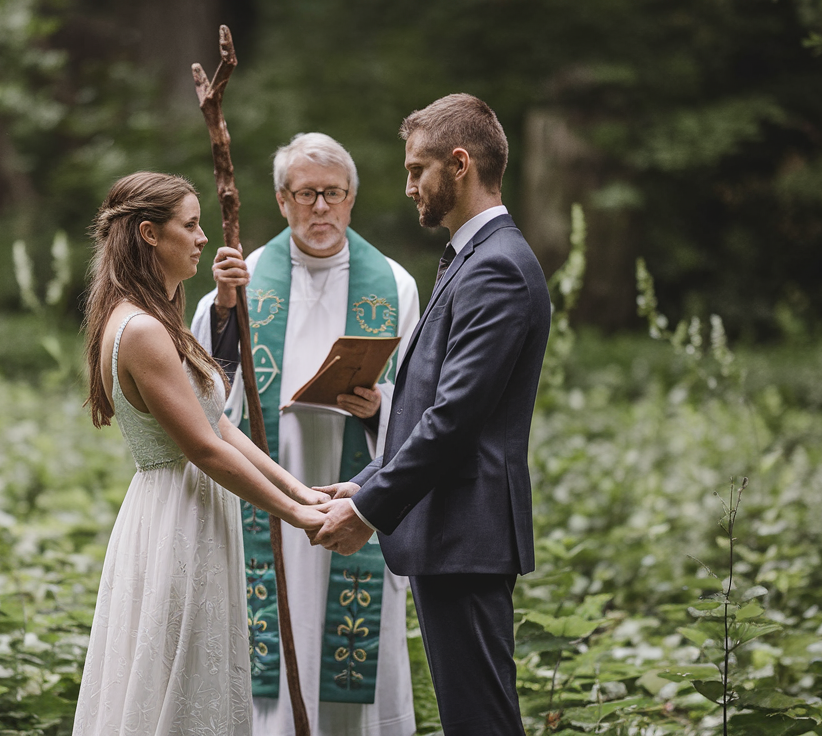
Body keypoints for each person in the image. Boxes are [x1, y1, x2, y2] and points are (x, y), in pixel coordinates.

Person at [310, 94, 552, 736]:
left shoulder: (497, 267)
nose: (409, 185)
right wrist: (368, 481)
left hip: (466, 536)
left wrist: (366, 511)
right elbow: (431, 408)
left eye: (418, 169)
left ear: (461, 164)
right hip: (451, 532)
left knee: (482, 722)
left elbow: (454, 420)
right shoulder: (472, 258)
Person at [71, 171, 329, 736]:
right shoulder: (139, 329)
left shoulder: (157, 319)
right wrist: (299, 519)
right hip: (175, 520)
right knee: (174, 686)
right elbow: (204, 450)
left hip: (194, 512)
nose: (202, 238)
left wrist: (301, 491)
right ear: (148, 234)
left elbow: (220, 427)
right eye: (189, 226)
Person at [191, 133, 420, 736]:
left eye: (333, 194)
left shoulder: (393, 284)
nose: (320, 207)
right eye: (306, 194)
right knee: (269, 646)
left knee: (352, 663)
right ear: (281, 199)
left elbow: (421, 404)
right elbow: (205, 392)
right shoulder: (246, 279)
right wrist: (221, 308)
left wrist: (376, 409)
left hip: (355, 491)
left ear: (351, 200)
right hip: (269, 498)